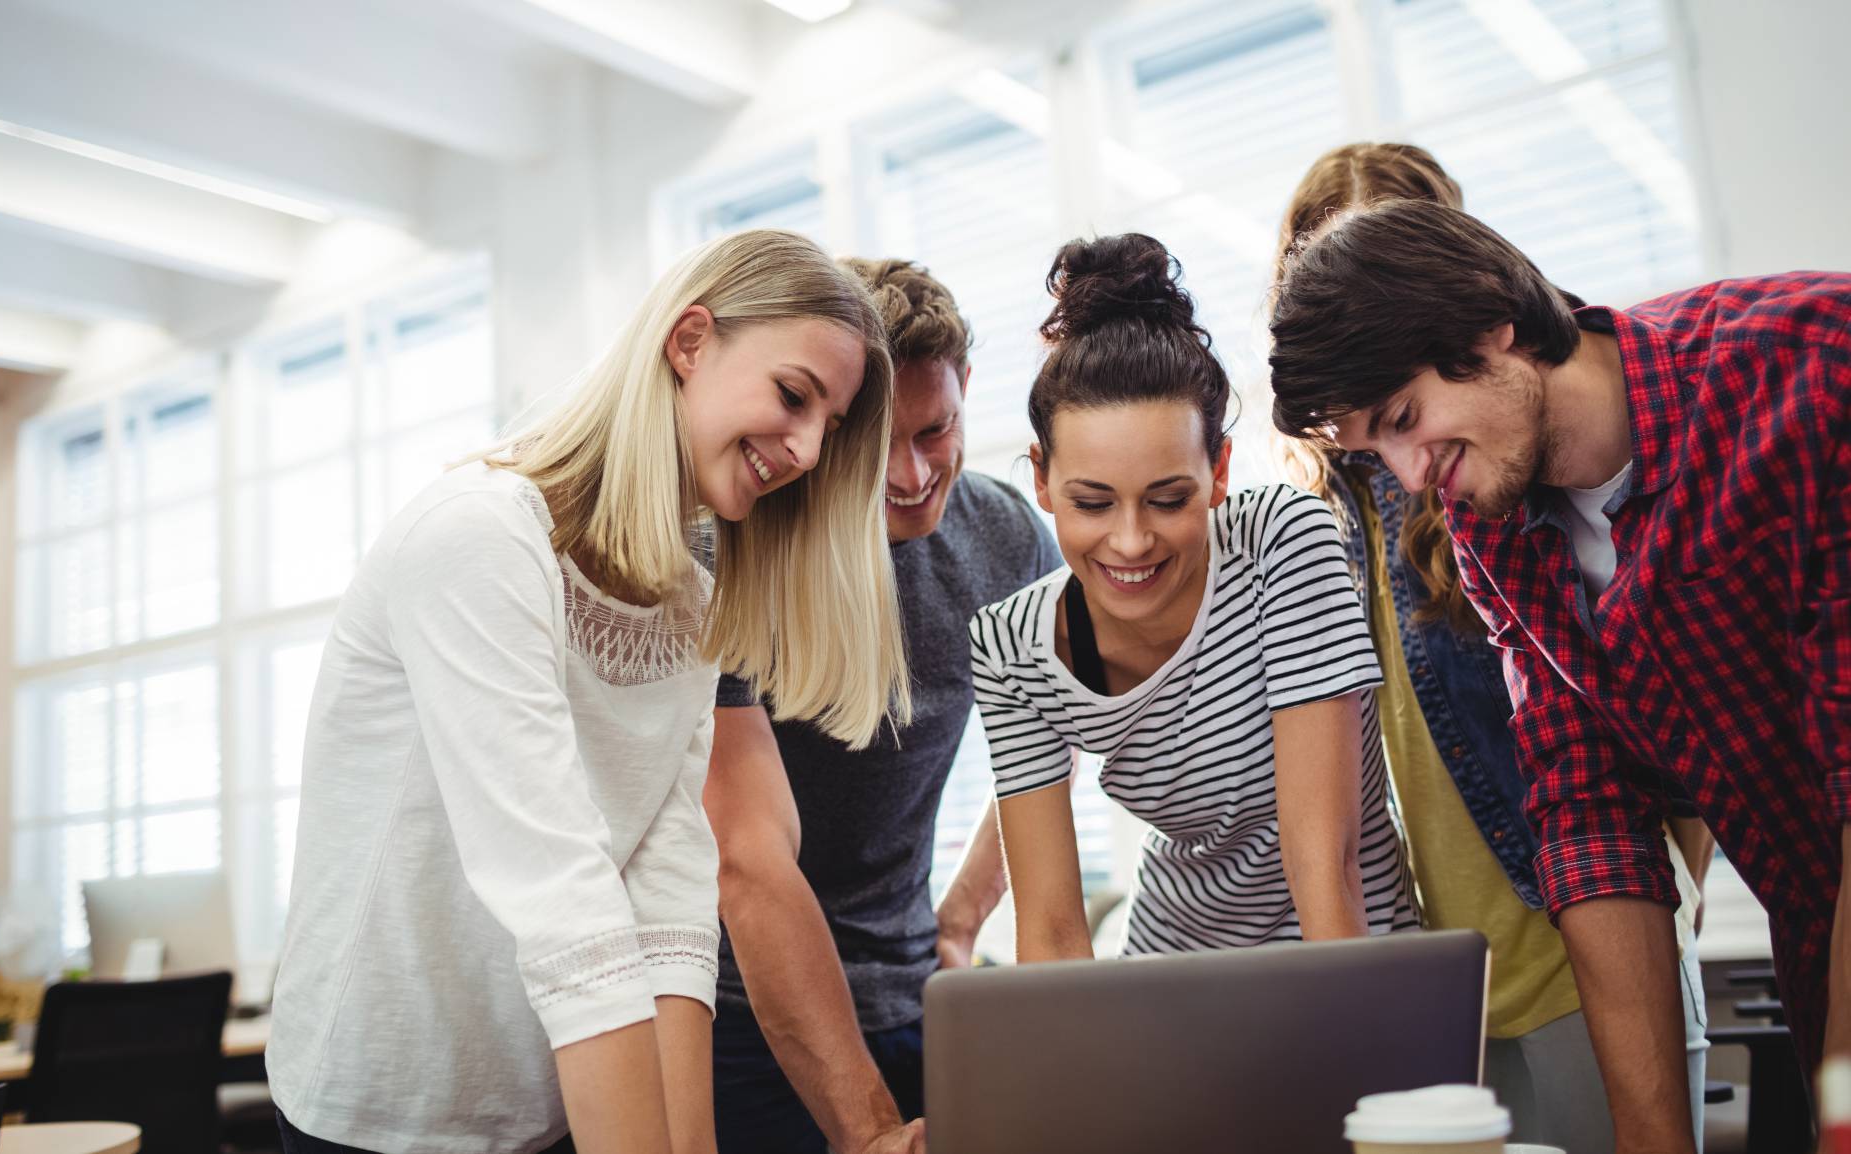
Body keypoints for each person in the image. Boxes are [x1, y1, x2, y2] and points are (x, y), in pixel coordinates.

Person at [267, 229, 912, 1154]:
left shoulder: (691, 600)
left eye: (831, 426)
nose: (808, 449)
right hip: (385, 1104)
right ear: (689, 342)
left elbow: (670, 898)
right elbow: (563, 897)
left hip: (546, 1102)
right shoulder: (479, 540)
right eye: (794, 396)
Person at [1268, 198, 1851, 1151]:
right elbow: (1589, 816)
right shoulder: (1490, 529)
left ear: (1490, 322)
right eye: (1378, 446)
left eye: (1407, 418)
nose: (1413, 476)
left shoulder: (1810, 370)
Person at [971, 233, 1417, 970]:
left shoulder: (1283, 540)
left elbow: (1325, 863)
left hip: (1348, 956)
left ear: (1218, 471)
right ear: (1043, 481)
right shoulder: (1012, 647)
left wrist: (1355, 1045)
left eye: (1168, 499)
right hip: (1172, 968)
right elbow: (1051, 930)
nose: (1131, 541)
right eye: (1091, 503)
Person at [707, 258, 1061, 1154]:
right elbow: (745, 862)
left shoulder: (1006, 535)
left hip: (916, 994)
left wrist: (962, 918)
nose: (910, 474)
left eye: (936, 430)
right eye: (878, 446)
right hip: (741, 1011)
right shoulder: (735, 551)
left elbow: (1057, 736)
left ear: (968, 392)